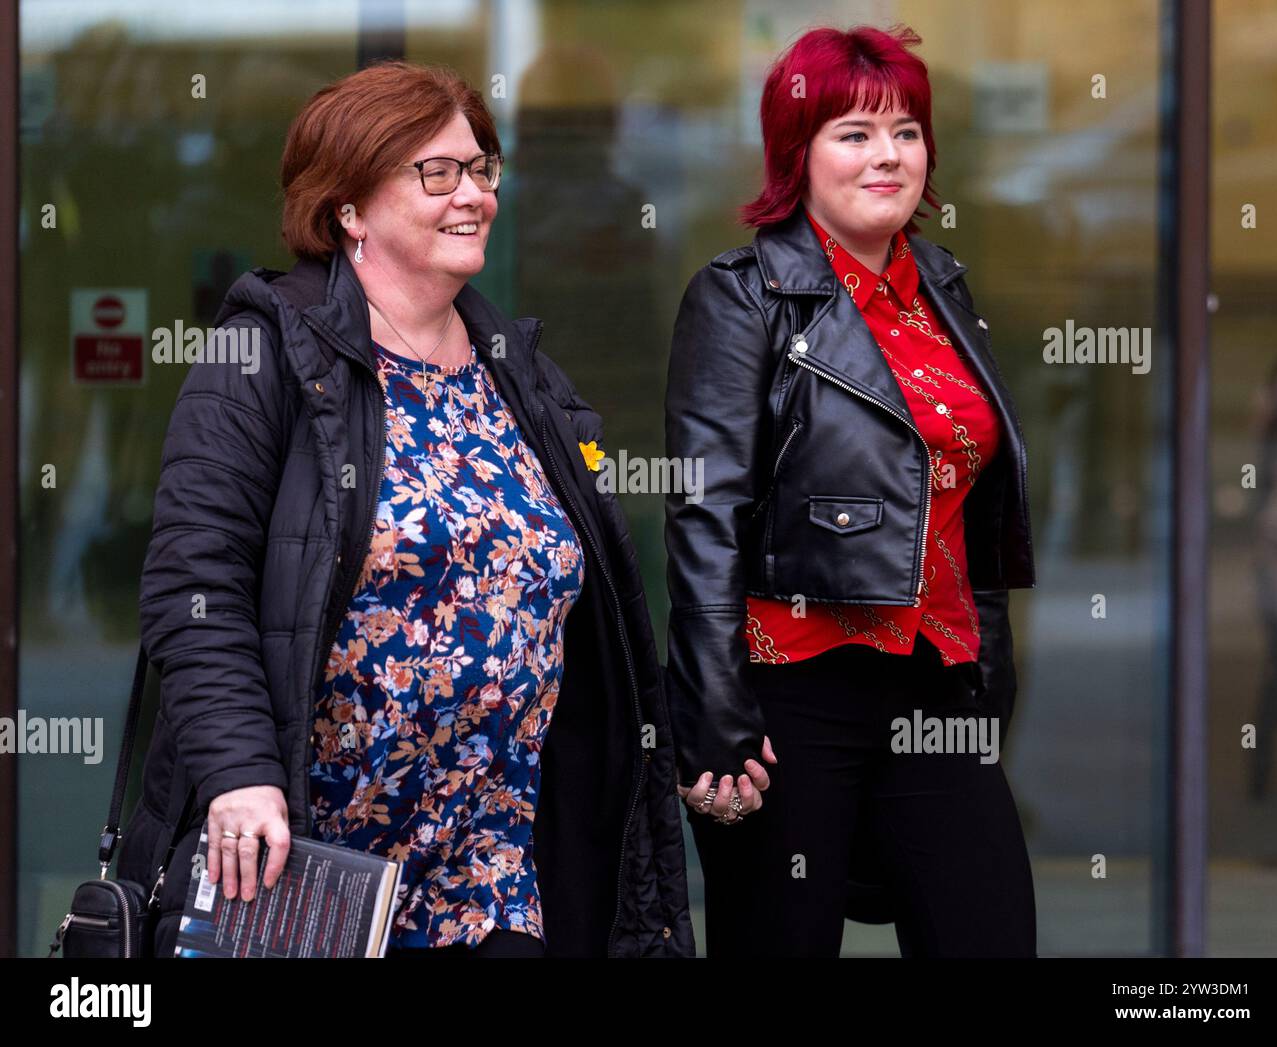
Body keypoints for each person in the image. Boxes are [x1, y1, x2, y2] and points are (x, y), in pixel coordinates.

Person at [117, 59, 694, 958]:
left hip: (495, 879)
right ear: (347, 206)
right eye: (437, 172)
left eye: (481, 169)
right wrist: (239, 775)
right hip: (306, 869)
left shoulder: (523, 374)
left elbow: (604, 609)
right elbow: (195, 585)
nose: (472, 194)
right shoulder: (262, 351)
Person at [664, 24, 1037, 957]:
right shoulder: (741, 295)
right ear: (800, 155)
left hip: (933, 684)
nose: (888, 156)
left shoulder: (942, 285)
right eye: (854, 133)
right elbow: (705, 513)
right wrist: (710, 707)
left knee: (988, 932)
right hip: (789, 692)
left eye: (906, 132)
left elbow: (970, 500)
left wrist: (988, 660)